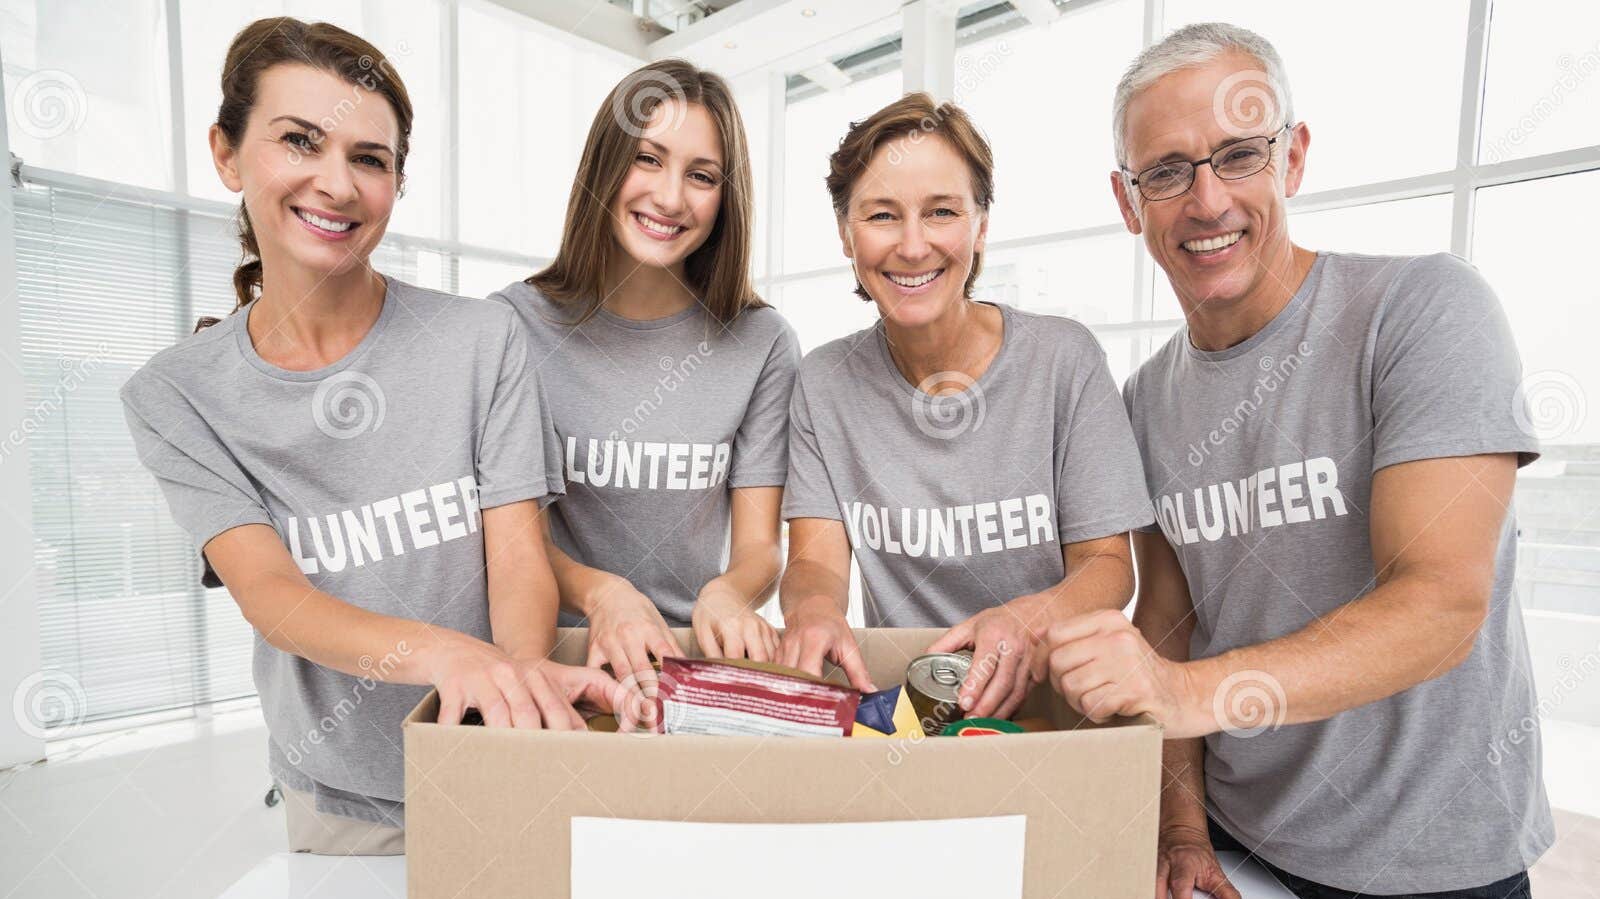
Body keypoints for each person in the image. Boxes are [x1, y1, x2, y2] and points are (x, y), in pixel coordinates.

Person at [1045, 22, 1552, 899]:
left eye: (1239, 154)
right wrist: (1182, 823)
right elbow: (1170, 625)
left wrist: (1184, 692)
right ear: (1128, 201)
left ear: (1294, 155)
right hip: (1243, 855)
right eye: (1167, 172)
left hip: (1432, 879)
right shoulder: (1142, 404)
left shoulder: (1421, 311)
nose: (1208, 200)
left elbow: (1440, 602)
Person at [121, 19, 618, 855]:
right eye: (300, 141)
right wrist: (451, 656)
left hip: (496, 761)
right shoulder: (176, 394)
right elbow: (272, 594)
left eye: (369, 158)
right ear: (227, 154)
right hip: (345, 799)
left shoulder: (480, 339)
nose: (337, 183)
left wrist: (514, 684)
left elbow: (517, 553)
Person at [778, 94, 1152, 716]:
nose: (913, 245)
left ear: (980, 227)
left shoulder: (1064, 360)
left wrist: (1026, 618)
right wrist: (812, 610)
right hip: (905, 716)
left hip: (1047, 712)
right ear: (846, 234)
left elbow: (1109, 566)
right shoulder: (824, 382)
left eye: (942, 212)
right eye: (882, 215)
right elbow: (816, 562)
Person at [492, 61, 799, 699]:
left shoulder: (762, 342)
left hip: (694, 666)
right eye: (647, 159)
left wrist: (728, 592)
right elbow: (507, 537)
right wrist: (601, 594)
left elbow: (761, 549)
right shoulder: (510, 327)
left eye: (702, 175)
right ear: (605, 164)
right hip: (557, 663)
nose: (670, 198)